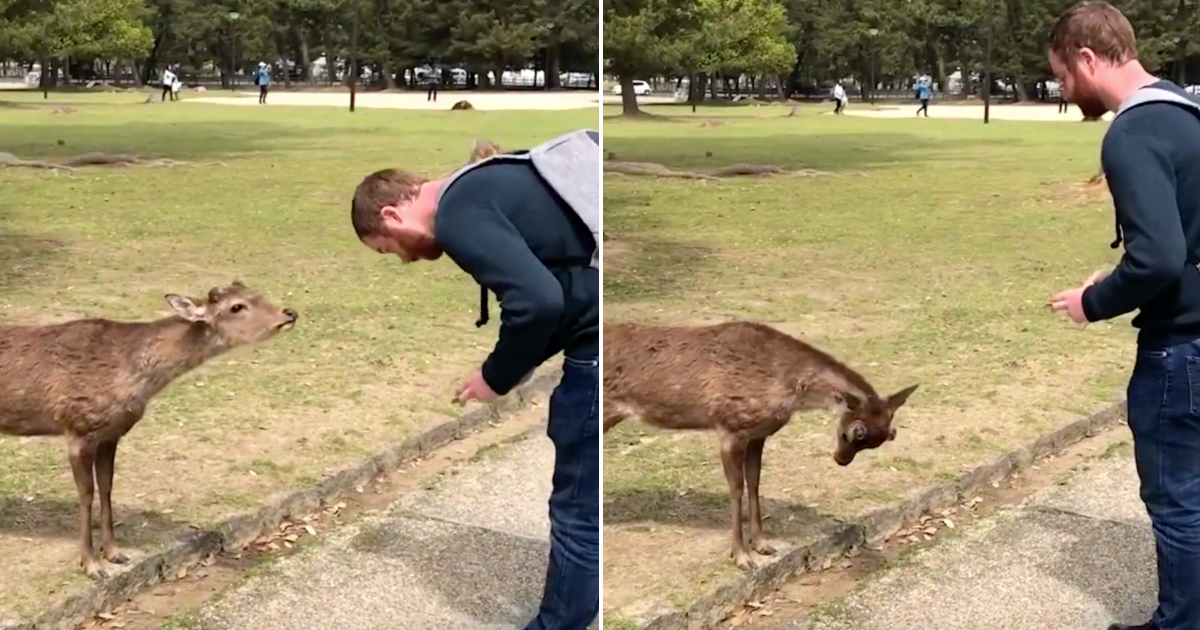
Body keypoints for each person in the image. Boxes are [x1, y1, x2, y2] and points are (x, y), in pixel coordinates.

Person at [349, 130, 600, 630]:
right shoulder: (491, 182)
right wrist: (505, 370)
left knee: (578, 510)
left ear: (392, 216)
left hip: (600, 354)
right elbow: (565, 290)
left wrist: (495, 377)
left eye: (388, 249)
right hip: (603, 336)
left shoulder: (458, 214)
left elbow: (538, 302)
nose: (404, 259)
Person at [1047, 3, 1200, 630]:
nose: (1064, 90)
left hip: (1182, 347)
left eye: (1062, 75)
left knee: (1178, 500)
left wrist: (1093, 301)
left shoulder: (1132, 133)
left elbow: (1159, 258)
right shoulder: (1187, 113)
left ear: (1087, 59)